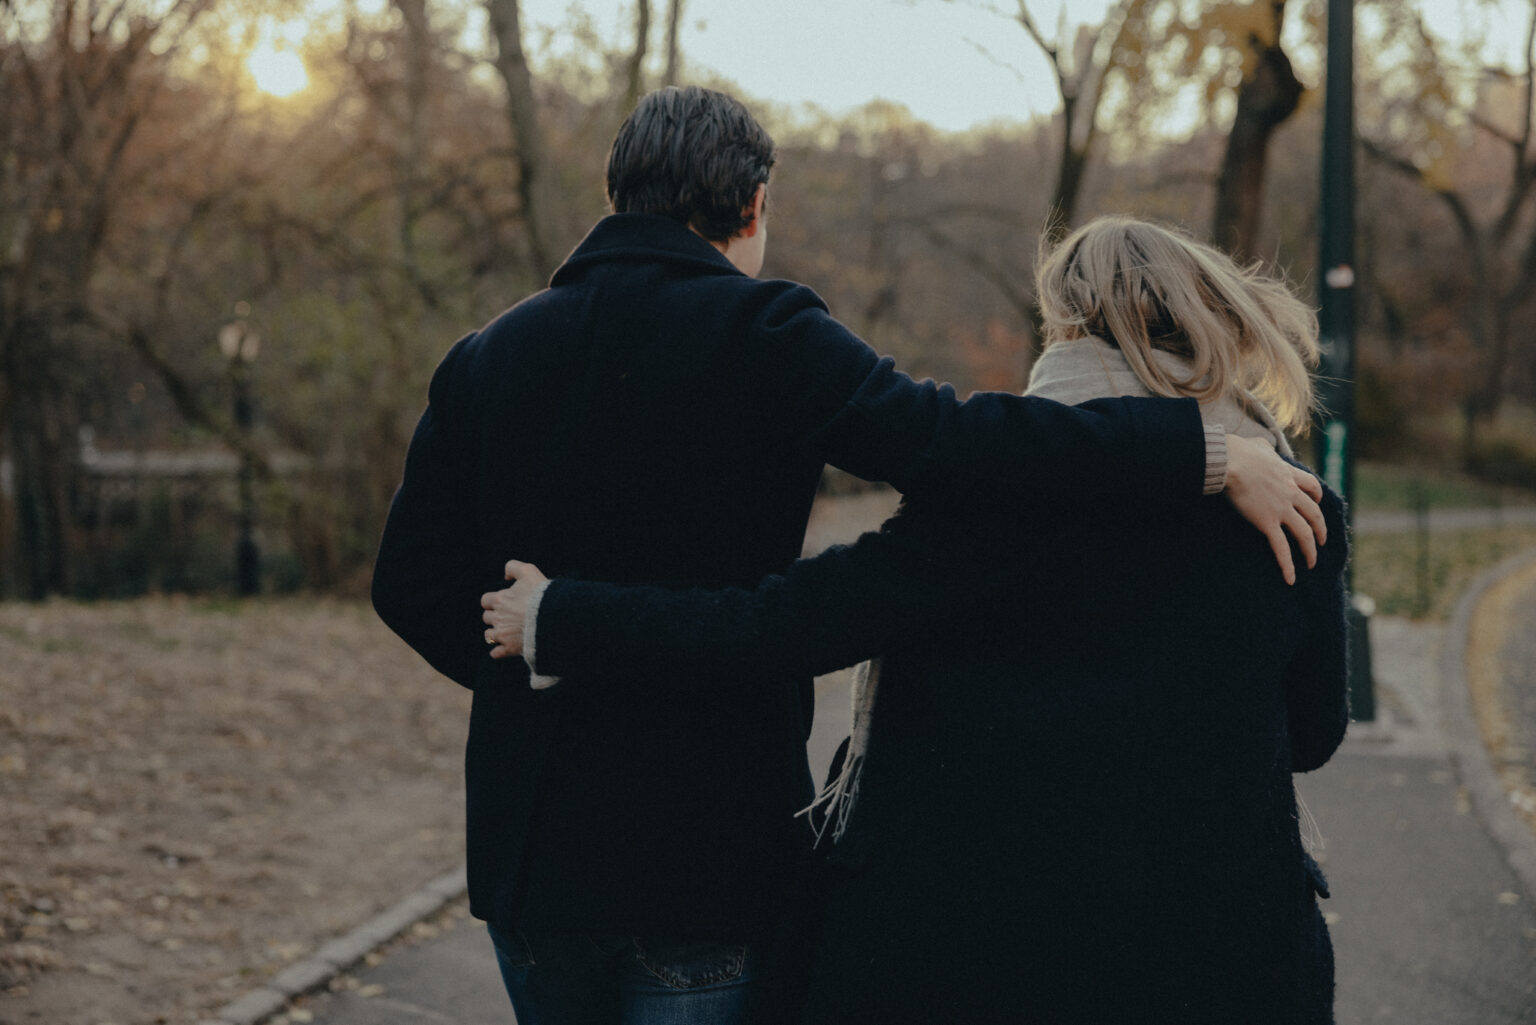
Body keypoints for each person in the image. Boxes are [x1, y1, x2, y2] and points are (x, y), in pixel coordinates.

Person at [372, 83, 1324, 1025]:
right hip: (707, 843)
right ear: (753, 206)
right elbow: (952, 444)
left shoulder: (484, 356)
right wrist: (1197, 451)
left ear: (617, 195)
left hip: (536, 856)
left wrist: (531, 661)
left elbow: (407, 583)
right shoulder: (768, 334)